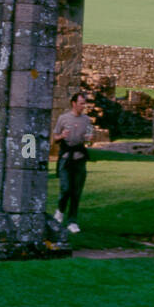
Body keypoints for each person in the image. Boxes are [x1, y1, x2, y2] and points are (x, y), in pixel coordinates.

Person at [51, 90, 93, 234]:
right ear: (74, 104)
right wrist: (61, 136)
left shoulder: (87, 120)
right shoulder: (63, 119)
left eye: (84, 103)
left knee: (76, 192)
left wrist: (89, 138)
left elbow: (89, 137)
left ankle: (72, 221)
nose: (83, 106)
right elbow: (55, 138)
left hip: (79, 159)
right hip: (65, 159)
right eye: (81, 103)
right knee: (66, 188)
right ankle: (60, 211)